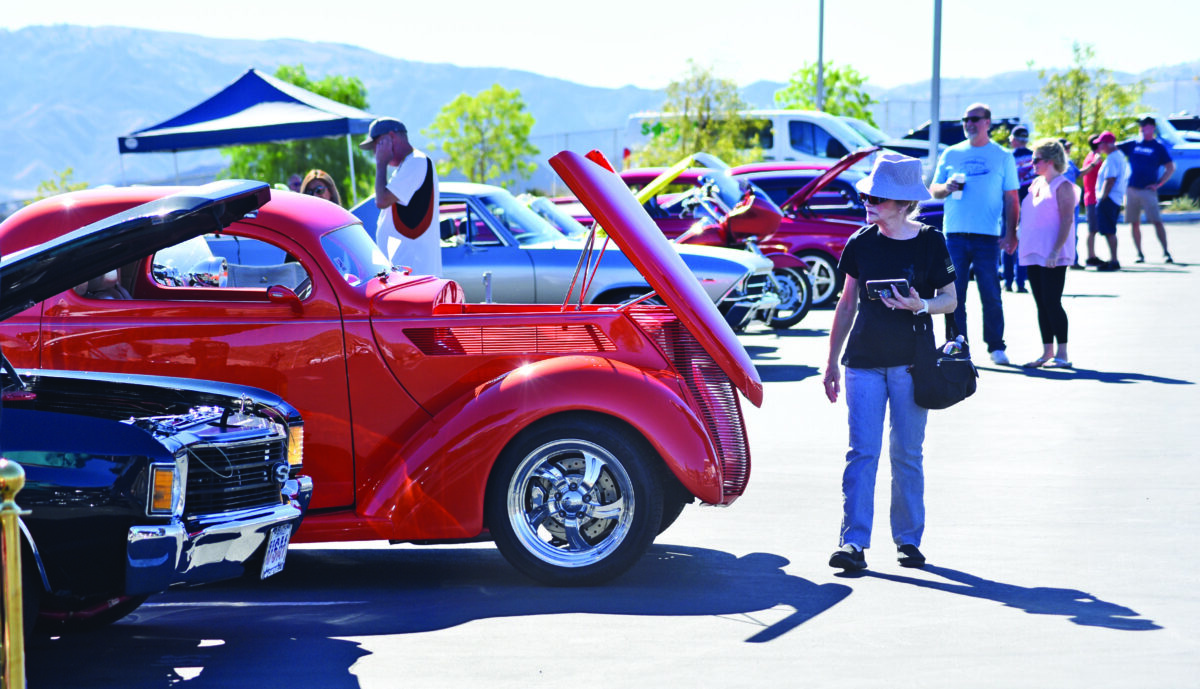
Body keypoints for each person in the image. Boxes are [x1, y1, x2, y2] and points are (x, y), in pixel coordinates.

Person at [823, 152, 957, 571]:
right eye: (867, 194)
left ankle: (907, 540)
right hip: (862, 362)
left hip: (911, 364)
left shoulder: (932, 241)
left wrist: (921, 305)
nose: (868, 201)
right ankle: (852, 544)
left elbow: (951, 300)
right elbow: (846, 306)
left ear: (903, 204)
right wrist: (830, 363)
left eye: (877, 197)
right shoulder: (861, 242)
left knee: (907, 453)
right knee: (861, 452)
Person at [930, 103, 1020, 366]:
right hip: (954, 235)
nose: (969, 123)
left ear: (988, 123)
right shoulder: (951, 153)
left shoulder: (1002, 156)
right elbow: (933, 189)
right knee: (954, 295)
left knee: (991, 292)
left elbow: (1012, 198)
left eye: (975, 119)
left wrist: (1011, 233)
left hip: (987, 237)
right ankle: (958, 345)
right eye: (965, 119)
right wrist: (946, 187)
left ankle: (996, 346)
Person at [1017, 139, 1079, 369]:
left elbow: (1067, 219)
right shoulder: (1036, 184)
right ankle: (1047, 352)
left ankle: (1062, 354)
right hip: (1033, 251)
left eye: (1036, 160)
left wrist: (1055, 250)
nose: (1032, 163)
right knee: (1041, 303)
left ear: (1050, 161)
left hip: (1053, 254)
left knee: (1053, 302)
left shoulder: (1063, 186)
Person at [359, 116, 441, 276]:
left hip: (415, 273)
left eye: (377, 145)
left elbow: (382, 200)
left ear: (391, 137)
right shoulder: (408, 164)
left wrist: (381, 163)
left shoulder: (417, 162)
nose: (376, 152)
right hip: (407, 271)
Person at [1118, 116, 1175, 263]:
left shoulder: (1158, 146)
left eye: (1145, 125)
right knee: (1134, 222)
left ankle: (1166, 252)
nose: (1142, 128)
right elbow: (1113, 147)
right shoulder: (1133, 143)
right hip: (1131, 189)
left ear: (1152, 128)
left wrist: (1159, 184)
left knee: (1156, 221)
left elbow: (1170, 167)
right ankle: (1139, 253)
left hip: (1148, 190)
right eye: (1141, 125)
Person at [1003, 125, 1034, 292]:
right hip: (1029, 204)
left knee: (1008, 240)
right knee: (1024, 242)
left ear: (1014, 139)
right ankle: (1021, 281)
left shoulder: (1007, 158)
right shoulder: (1035, 157)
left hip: (1008, 204)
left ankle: (1007, 280)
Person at [1093, 131, 1128, 271]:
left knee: (1109, 231)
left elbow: (1110, 179)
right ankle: (1113, 259)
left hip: (1109, 198)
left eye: (1101, 143)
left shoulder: (1112, 158)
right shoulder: (1119, 156)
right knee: (1109, 230)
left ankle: (1114, 260)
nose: (1099, 146)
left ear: (1107, 144)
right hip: (1116, 198)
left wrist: (1102, 197)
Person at [1081, 135, 1106, 267]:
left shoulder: (1092, 156)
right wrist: (1095, 163)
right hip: (1092, 197)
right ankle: (1091, 256)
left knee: (1094, 229)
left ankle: (1092, 255)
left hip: (1092, 197)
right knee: (1092, 230)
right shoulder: (1094, 159)